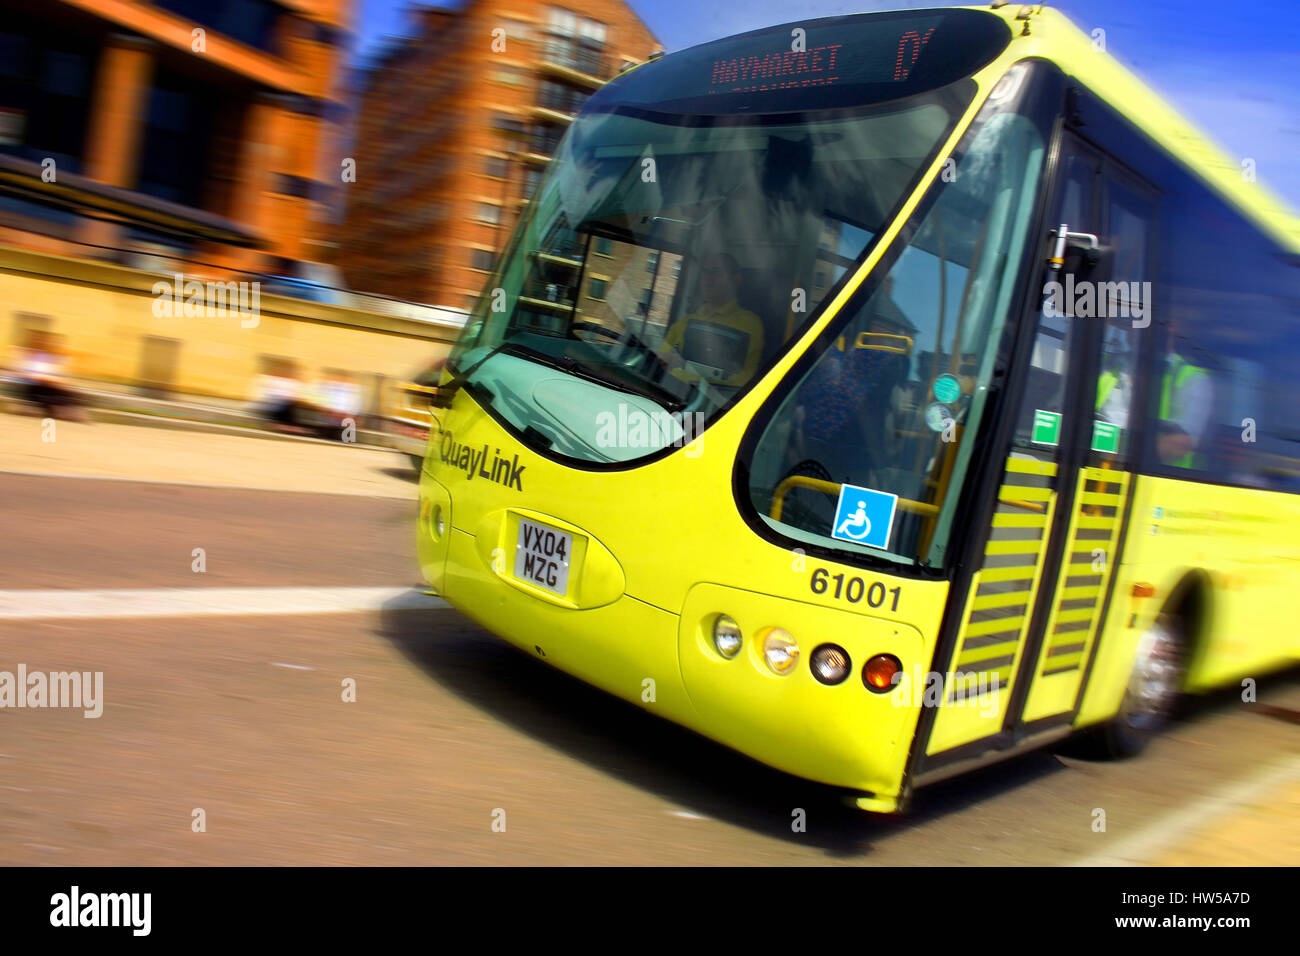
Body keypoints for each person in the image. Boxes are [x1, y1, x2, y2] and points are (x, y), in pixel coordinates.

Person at [655, 252, 764, 389]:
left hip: (715, 399)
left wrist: (685, 366)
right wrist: (668, 361)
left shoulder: (749, 323)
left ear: (736, 279)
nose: (708, 278)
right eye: (705, 272)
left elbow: (742, 380)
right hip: (669, 392)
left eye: (716, 272)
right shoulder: (685, 321)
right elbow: (659, 361)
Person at [1155, 323, 1211, 468]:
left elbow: (1183, 442)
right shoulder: (1115, 364)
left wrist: (1131, 448)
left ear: (1171, 330)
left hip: (1163, 476)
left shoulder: (1194, 379)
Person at [14, 331, 86, 421]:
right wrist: (45, 379)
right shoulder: (28, 354)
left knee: (69, 393)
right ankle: (59, 413)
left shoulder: (50, 357)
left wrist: (55, 381)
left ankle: (68, 414)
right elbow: (24, 374)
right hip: (31, 386)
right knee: (51, 393)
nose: (53, 345)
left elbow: (57, 375)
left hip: (46, 386)